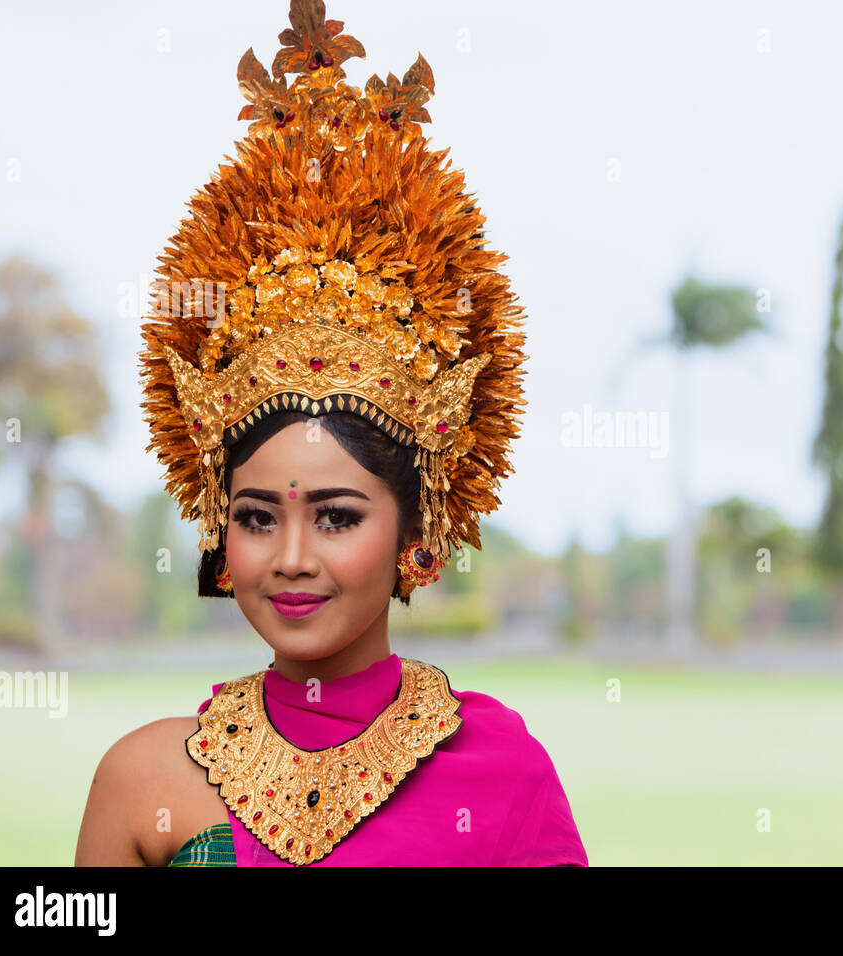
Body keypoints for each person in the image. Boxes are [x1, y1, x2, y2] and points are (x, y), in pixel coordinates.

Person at [74, 0, 586, 866]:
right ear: (217, 532)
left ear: (416, 536)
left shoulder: (503, 778)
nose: (292, 557)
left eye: (339, 516)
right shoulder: (147, 783)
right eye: (258, 516)